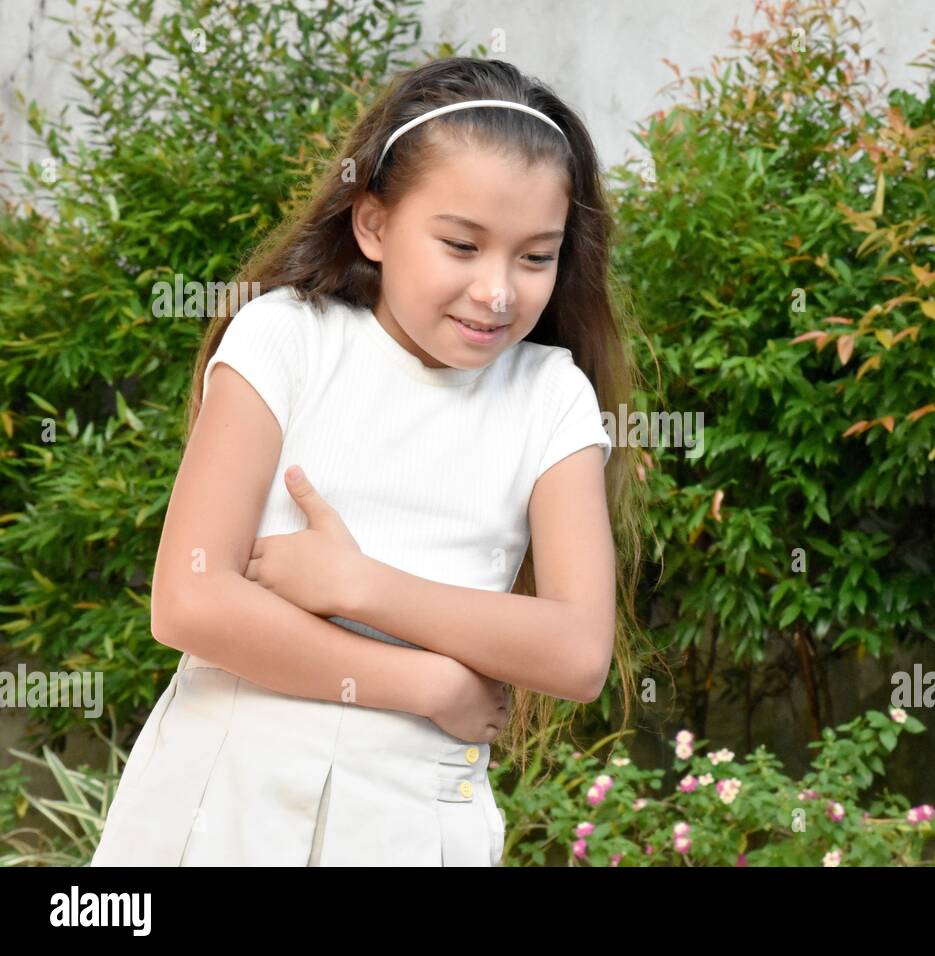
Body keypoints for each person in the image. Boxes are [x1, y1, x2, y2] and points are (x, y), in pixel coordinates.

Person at [91, 56, 653, 866]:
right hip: (223, 798)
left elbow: (575, 650)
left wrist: (360, 585)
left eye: (536, 257)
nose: (498, 291)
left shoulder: (549, 395)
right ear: (374, 225)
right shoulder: (286, 337)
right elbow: (189, 600)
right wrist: (424, 684)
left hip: (414, 819)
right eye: (462, 244)